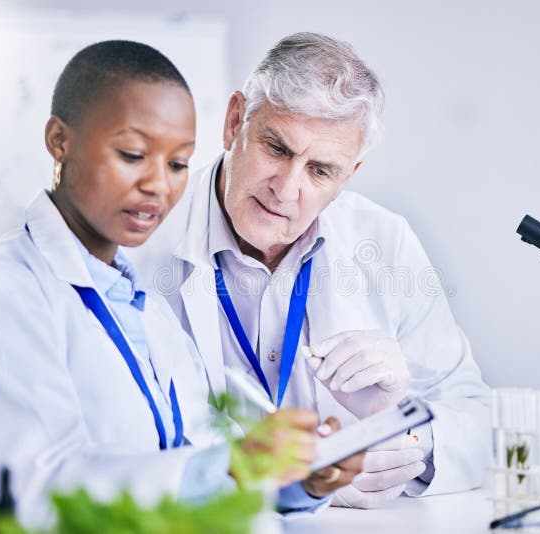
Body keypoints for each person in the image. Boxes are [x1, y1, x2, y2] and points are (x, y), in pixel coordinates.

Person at [0, 40, 361, 533]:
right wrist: (229, 466)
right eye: (133, 154)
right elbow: (43, 496)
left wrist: (299, 477)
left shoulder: (147, 312)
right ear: (59, 140)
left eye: (178, 164)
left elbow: (200, 456)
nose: (158, 185)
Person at [132, 32, 491, 509]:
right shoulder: (138, 240)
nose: (285, 189)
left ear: (348, 176)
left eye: (320, 171)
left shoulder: (385, 241)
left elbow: (474, 418)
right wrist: (289, 483)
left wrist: (402, 440)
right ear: (235, 122)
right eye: (277, 149)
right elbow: (109, 443)